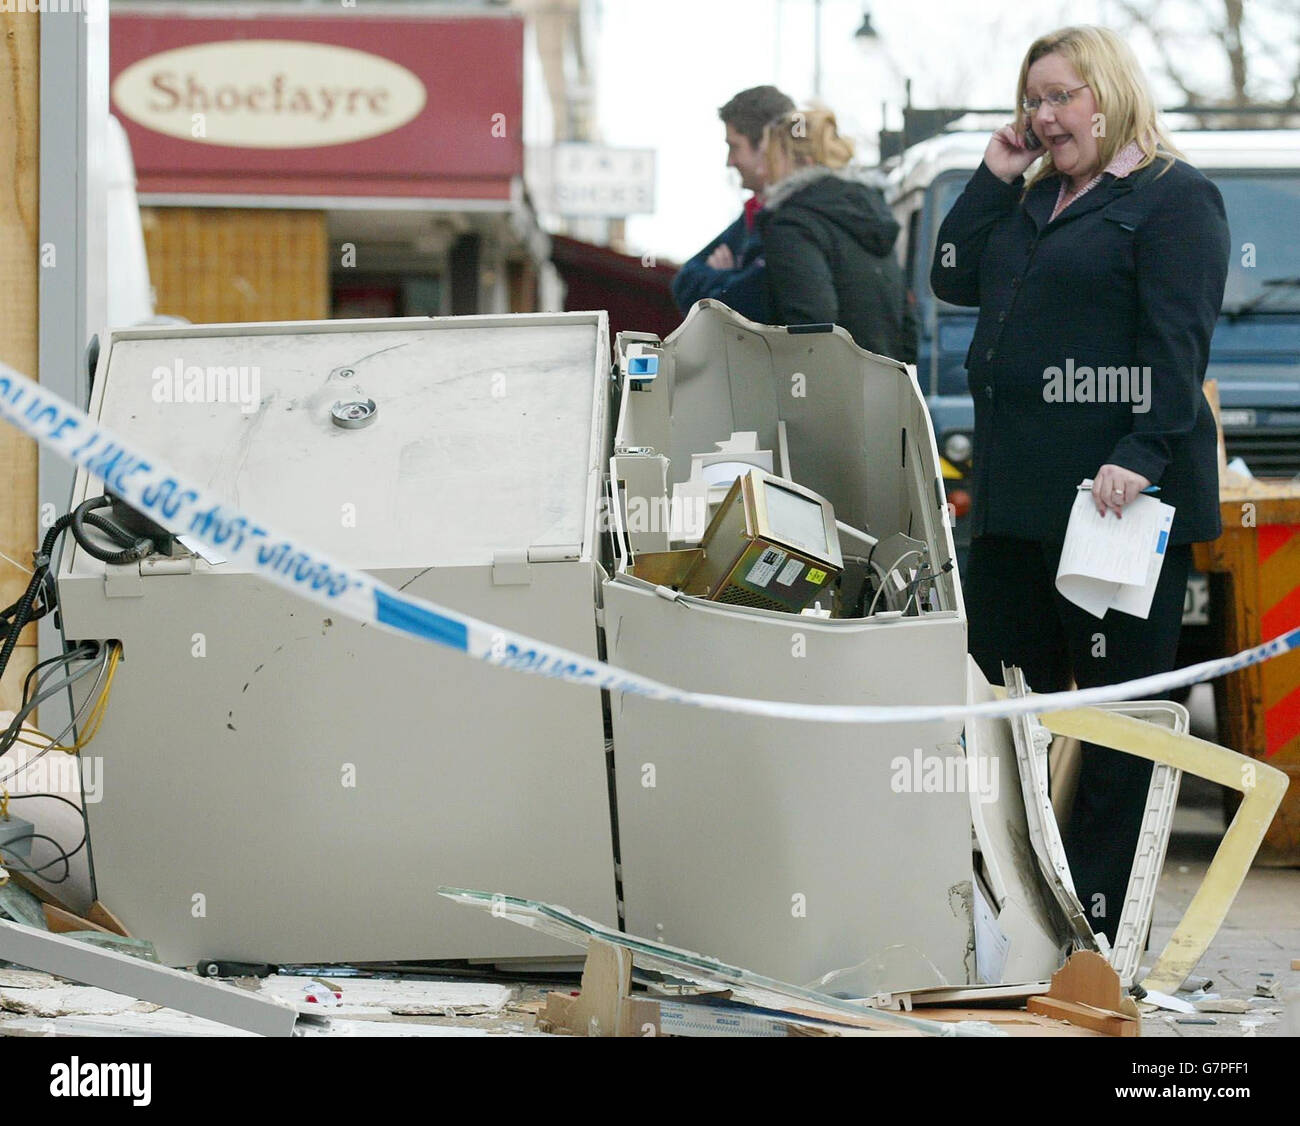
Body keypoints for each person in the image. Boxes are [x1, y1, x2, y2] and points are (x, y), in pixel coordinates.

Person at [929, 25, 1229, 944]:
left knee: (1113, 727)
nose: (1044, 116)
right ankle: (990, 914)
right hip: (1019, 507)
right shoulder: (1032, 201)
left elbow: (1176, 344)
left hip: (1116, 508)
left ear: (1108, 92)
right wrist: (991, 172)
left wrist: (1142, 451)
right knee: (985, 704)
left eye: (1062, 96)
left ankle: (1097, 937)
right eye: (1034, 99)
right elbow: (950, 278)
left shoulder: (1174, 201)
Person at [759, 108, 916, 362]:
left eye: (771, 159)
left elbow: (812, 325)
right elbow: (907, 322)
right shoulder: (872, 216)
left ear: (804, 162)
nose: (763, 171)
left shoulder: (793, 224)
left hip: (826, 393)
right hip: (884, 386)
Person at [671, 85, 795, 322]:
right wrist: (733, 279)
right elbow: (683, 281)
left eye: (734, 146)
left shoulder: (792, 220)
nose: (730, 161)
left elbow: (748, 301)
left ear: (766, 144)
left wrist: (724, 279)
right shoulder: (753, 213)